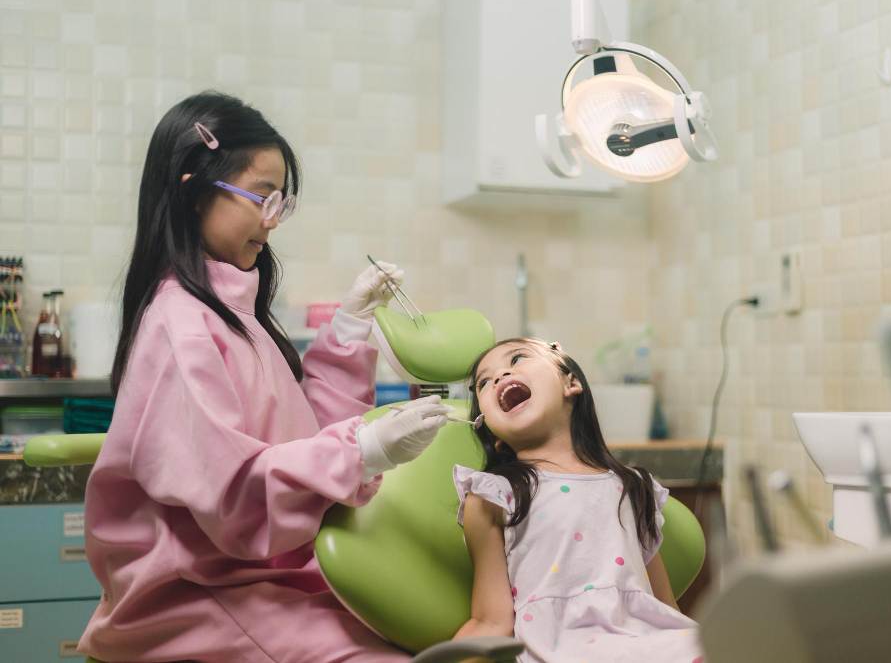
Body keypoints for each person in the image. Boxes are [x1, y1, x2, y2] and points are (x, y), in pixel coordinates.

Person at [80, 91, 449, 662]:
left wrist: (348, 331)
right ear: (192, 190)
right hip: (194, 594)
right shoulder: (183, 327)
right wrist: (364, 450)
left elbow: (298, 438)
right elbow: (236, 501)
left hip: (265, 571)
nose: (272, 219)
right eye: (261, 197)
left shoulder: (233, 312)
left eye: (281, 201)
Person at [452, 338, 703, 663]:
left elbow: (665, 609)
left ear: (570, 383)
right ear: (493, 434)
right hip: (566, 649)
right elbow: (491, 622)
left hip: (648, 642)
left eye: (517, 359)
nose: (499, 376)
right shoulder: (495, 495)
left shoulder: (633, 487)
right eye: (484, 382)